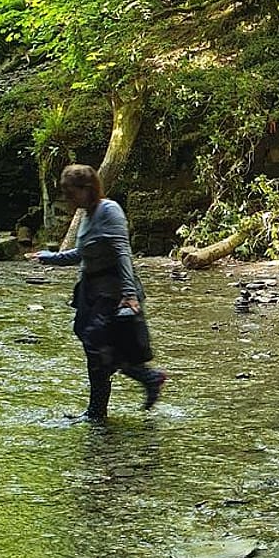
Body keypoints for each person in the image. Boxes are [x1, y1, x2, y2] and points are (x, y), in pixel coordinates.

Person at [26, 164, 166, 422]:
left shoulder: (108, 211)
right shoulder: (86, 215)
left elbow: (123, 252)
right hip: (91, 293)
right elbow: (82, 254)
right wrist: (50, 258)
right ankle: (103, 407)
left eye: (71, 194)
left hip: (112, 293)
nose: (68, 200)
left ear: (87, 189)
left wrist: (129, 293)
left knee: (101, 349)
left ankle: (138, 384)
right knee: (97, 349)